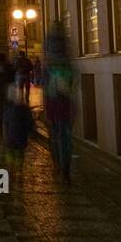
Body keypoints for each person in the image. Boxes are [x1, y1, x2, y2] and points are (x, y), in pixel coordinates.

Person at [43, 23, 76, 181]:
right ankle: (66, 167)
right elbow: (74, 82)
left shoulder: (48, 60)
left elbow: (44, 83)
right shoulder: (67, 60)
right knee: (66, 134)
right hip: (66, 101)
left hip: (52, 100)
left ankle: (57, 163)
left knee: (54, 133)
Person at [2, 80, 32, 172]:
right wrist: (30, 132)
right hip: (22, 137)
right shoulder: (26, 109)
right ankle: (19, 170)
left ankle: (10, 168)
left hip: (10, 136)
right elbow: (30, 123)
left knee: (10, 152)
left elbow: (5, 122)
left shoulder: (7, 108)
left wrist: (5, 133)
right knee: (20, 154)